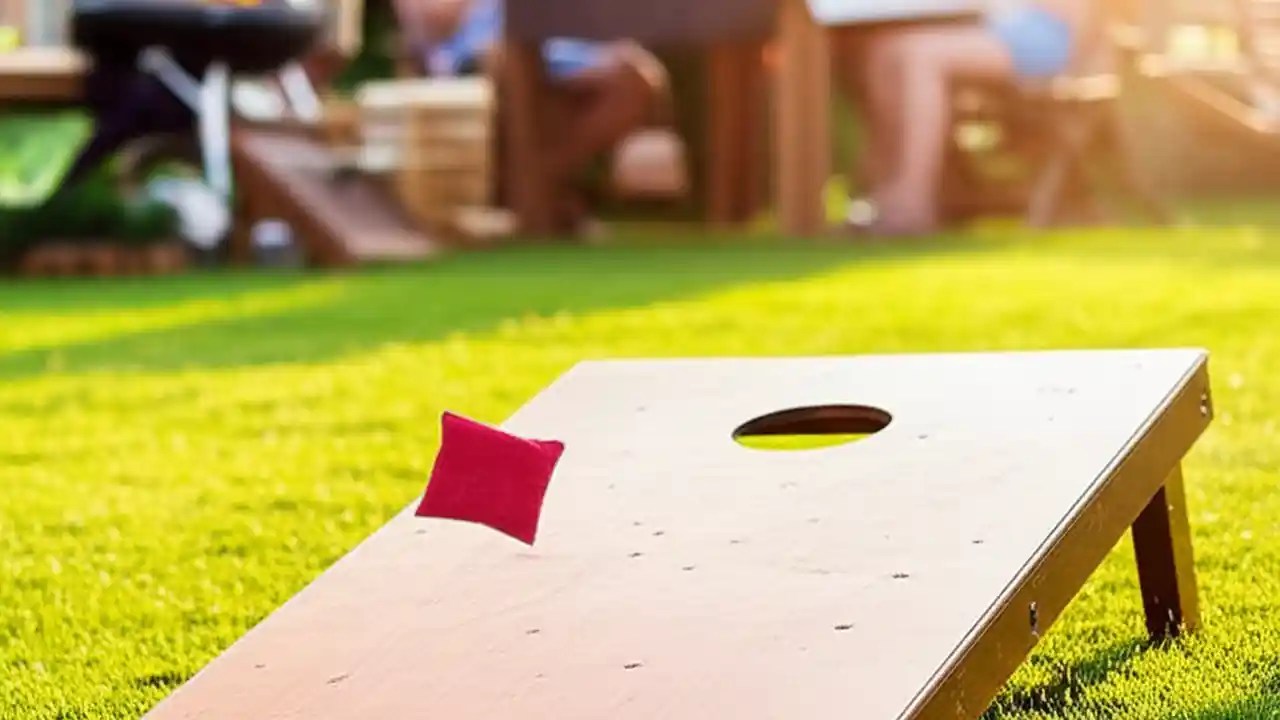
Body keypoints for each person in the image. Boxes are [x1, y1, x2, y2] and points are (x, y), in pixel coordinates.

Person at [393, 0, 668, 234]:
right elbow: (427, 19)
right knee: (510, 62)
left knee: (637, 77)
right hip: (476, 54)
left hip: (562, 47)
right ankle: (542, 200)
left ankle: (539, 190)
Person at [839, 0, 1091, 236]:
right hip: (996, 23)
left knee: (919, 56)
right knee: (886, 51)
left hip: (1045, 35)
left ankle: (912, 201)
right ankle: (886, 193)